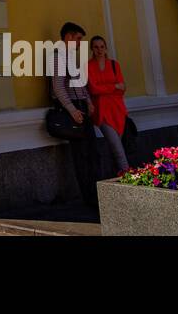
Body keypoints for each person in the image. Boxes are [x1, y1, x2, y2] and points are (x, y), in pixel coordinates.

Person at [50, 21, 100, 208]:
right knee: (81, 156)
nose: (80, 43)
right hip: (73, 111)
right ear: (68, 37)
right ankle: (89, 198)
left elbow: (79, 83)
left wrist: (88, 101)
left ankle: (98, 192)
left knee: (93, 153)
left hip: (82, 108)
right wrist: (72, 110)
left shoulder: (70, 57)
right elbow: (58, 87)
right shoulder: (58, 57)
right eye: (78, 39)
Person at [86, 35, 129, 175]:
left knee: (114, 149)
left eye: (102, 47)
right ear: (92, 49)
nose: (99, 50)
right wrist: (114, 86)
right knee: (117, 148)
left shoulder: (114, 65)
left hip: (118, 110)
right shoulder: (88, 66)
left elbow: (122, 88)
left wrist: (105, 88)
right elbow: (93, 89)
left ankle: (114, 181)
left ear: (106, 48)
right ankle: (129, 177)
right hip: (102, 111)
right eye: (96, 47)